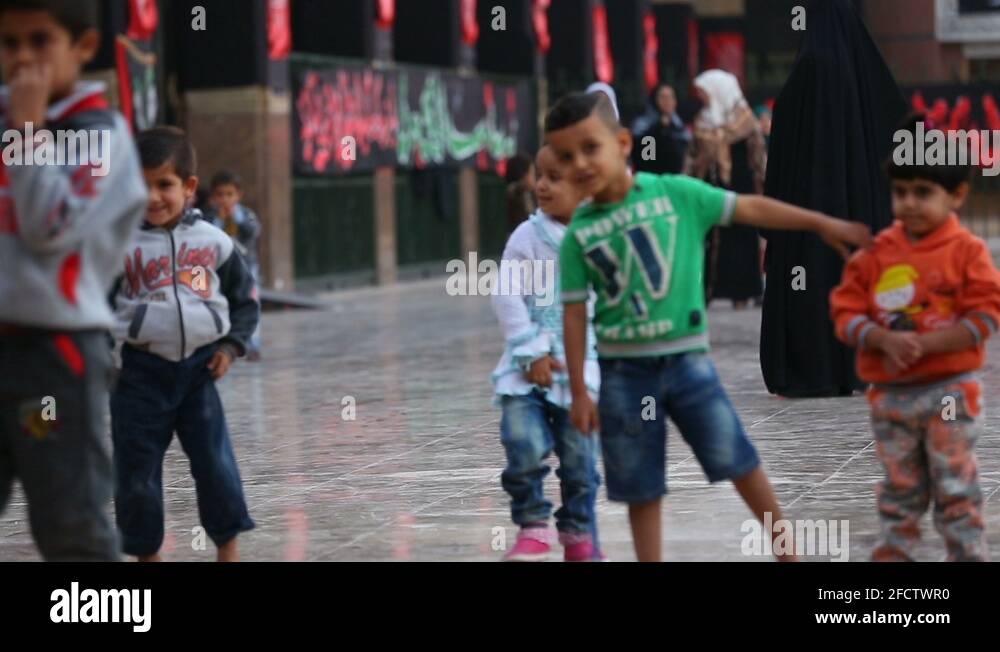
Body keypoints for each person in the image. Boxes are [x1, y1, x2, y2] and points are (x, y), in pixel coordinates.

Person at [547, 92, 872, 562]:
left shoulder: (676, 193)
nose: (579, 163)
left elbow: (750, 208)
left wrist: (818, 222)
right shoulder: (578, 236)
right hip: (623, 376)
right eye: (564, 156)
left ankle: (789, 554)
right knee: (641, 486)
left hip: (688, 365)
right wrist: (579, 390)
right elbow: (574, 314)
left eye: (589, 147)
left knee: (738, 458)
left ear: (621, 143)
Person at [0, 0, 146, 561]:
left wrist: (28, 129)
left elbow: (47, 227)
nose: (23, 60)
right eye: (10, 44)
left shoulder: (99, 135)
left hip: (51, 359)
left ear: (83, 48)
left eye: (40, 41)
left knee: (68, 522)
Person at [830, 114, 1000, 562]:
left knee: (954, 486)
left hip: (949, 394)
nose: (908, 203)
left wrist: (928, 346)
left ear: (957, 195)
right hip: (890, 397)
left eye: (923, 192)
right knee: (898, 487)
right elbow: (845, 311)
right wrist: (878, 339)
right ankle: (897, 552)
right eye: (900, 191)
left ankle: (966, 554)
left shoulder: (967, 251)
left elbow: (987, 312)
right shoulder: (877, 253)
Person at [109, 127, 259, 562]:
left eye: (165, 185)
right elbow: (94, 308)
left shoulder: (215, 244)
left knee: (216, 468)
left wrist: (230, 347)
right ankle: (146, 556)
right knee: (136, 476)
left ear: (190, 187)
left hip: (198, 374)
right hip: (138, 376)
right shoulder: (118, 247)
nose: (153, 197)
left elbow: (245, 299)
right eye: (142, 185)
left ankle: (227, 550)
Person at [759, 0, 909, 397]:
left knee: (809, 281)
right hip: (861, 208)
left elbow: (784, 146)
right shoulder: (866, 72)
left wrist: (771, 221)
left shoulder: (807, 67)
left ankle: (816, 372)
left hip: (808, 210)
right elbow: (899, 130)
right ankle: (860, 368)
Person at [490, 145, 605, 562]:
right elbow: (506, 295)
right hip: (526, 372)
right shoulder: (527, 237)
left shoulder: (600, 238)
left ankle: (578, 534)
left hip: (582, 374)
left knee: (580, 459)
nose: (541, 184)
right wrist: (530, 351)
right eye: (541, 175)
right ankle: (532, 524)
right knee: (521, 441)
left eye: (555, 178)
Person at [685, 70, 766, 309]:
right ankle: (709, 290)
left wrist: (763, 183)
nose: (701, 97)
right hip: (710, 187)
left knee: (741, 240)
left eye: (704, 92)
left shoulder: (745, 119)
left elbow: (758, 157)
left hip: (741, 187)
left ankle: (743, 292)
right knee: (712, 240)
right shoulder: (702, 121)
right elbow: (692, 158)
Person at [207, 170, 263, 360]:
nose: (225, 200)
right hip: (222, 270)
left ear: (239, 195)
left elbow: (252, 232)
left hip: (247, 267)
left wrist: (236, 218)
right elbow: (206, 238)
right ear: (213, 197)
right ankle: (225, 342)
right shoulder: (210, 218)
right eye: (220, 195)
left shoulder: (246, 215)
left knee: (250, 304)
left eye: (229, 194)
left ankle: (252, 344)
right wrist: (219, 220)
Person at [631, 84, 690, 175]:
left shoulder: (679, 126)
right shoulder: (643, 125)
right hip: (653, 180)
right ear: (654, 100)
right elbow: (646, 160)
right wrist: (659, 129)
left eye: (671, 97)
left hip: (676, 181)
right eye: (663, 97)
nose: (668, 101)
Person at [504, 152, 536, 234]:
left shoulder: (529, 194)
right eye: (532, 173)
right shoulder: (515, 194)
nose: (534, 178)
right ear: (523, 176)